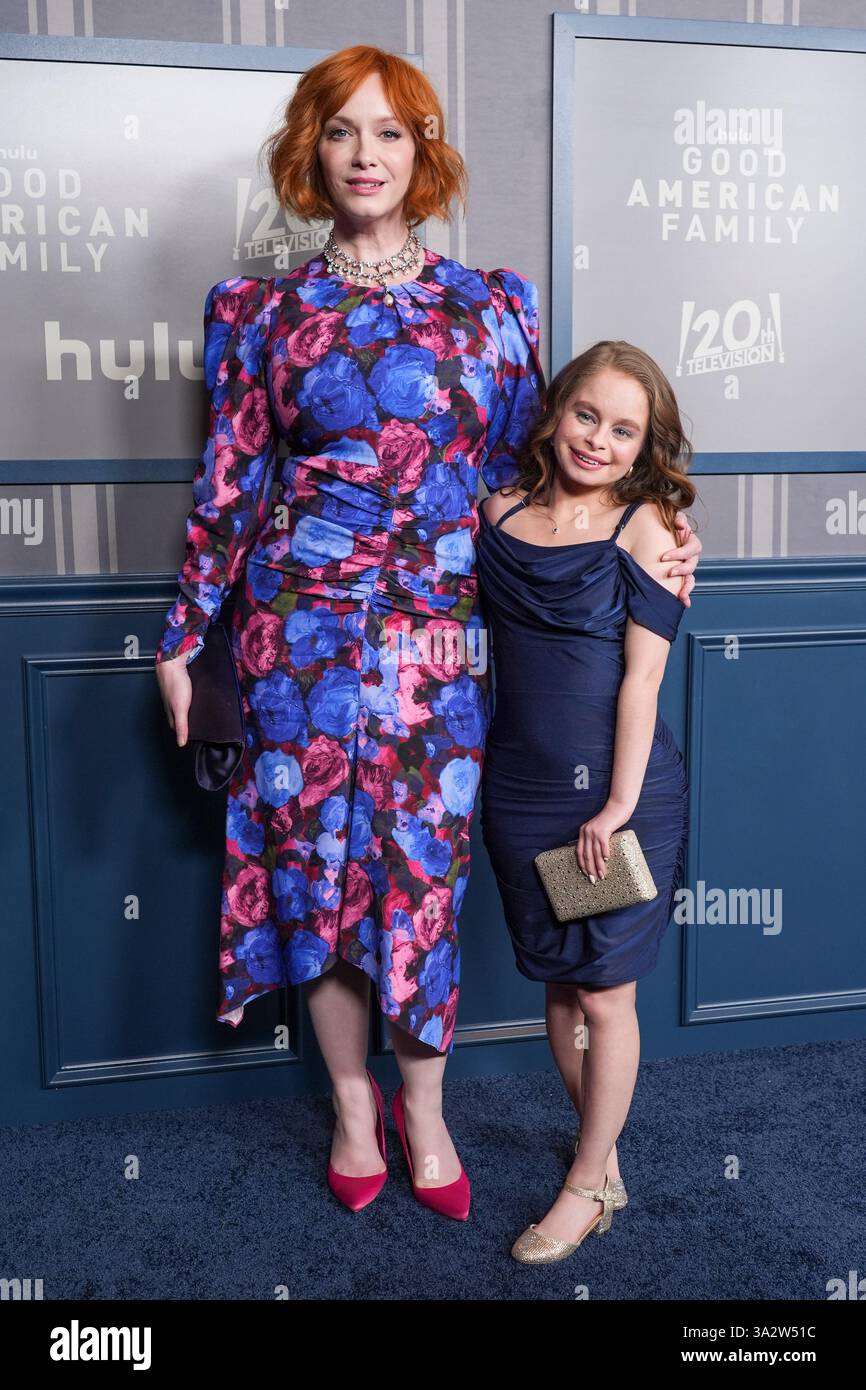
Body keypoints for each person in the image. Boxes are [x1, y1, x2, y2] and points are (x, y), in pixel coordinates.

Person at [155, 43, 702, 1222]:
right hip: (294, 642)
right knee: (316, 885)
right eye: (342, 131)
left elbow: (536, 471)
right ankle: (352, 1108)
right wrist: (183, 638)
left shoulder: (492, 305)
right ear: (312, 150)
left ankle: (427, 1110)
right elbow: (229, 485)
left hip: (437, 650)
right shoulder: (260, 311)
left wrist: (649, 520)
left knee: (412, 888)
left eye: (390, 131)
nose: (365, 154)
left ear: (423, 151)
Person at [476, 342, 696, 1261]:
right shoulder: (496, 511)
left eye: (623, 429)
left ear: (646, 446)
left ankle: (585, 1182)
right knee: (559, 991)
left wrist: (612, 806)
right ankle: (602, 1162)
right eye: (585, 415)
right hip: (520, 790)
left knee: (605, 997)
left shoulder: (647, 530)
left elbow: (641, 686)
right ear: (554, 409)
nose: (597, 440)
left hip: (615, 799)